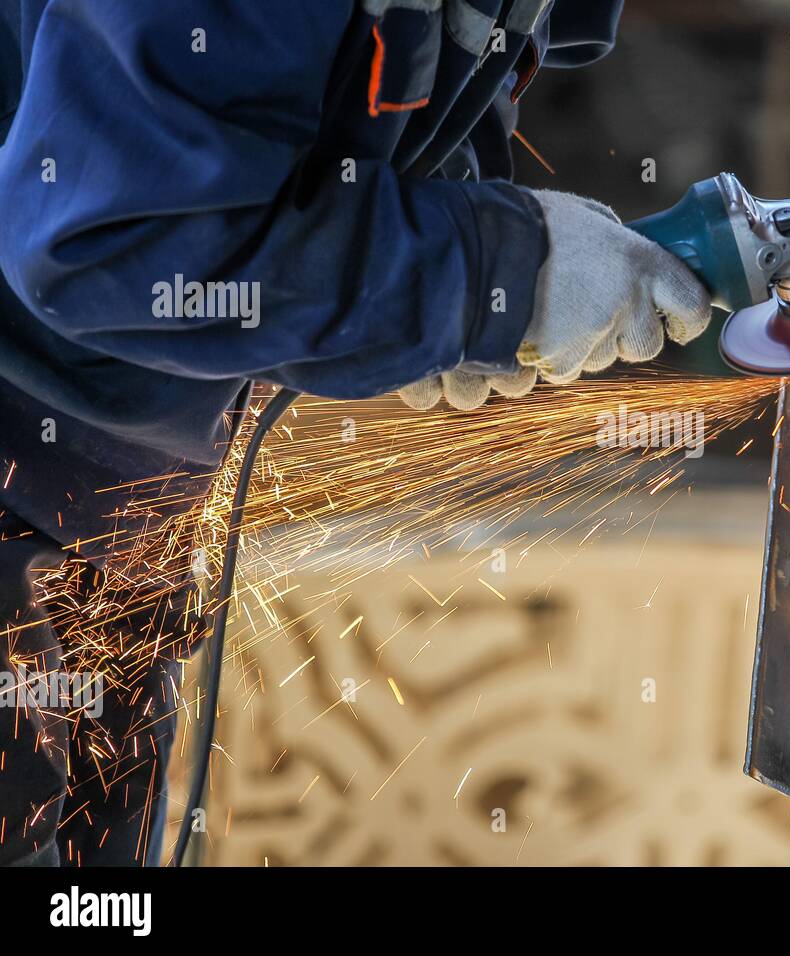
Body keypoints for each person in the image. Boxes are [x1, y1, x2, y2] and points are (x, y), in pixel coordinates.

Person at [0, 0, 711, 865]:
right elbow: (114, 239)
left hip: (114, 512)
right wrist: (486, 273)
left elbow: (379, 101)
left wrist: (427, 277)